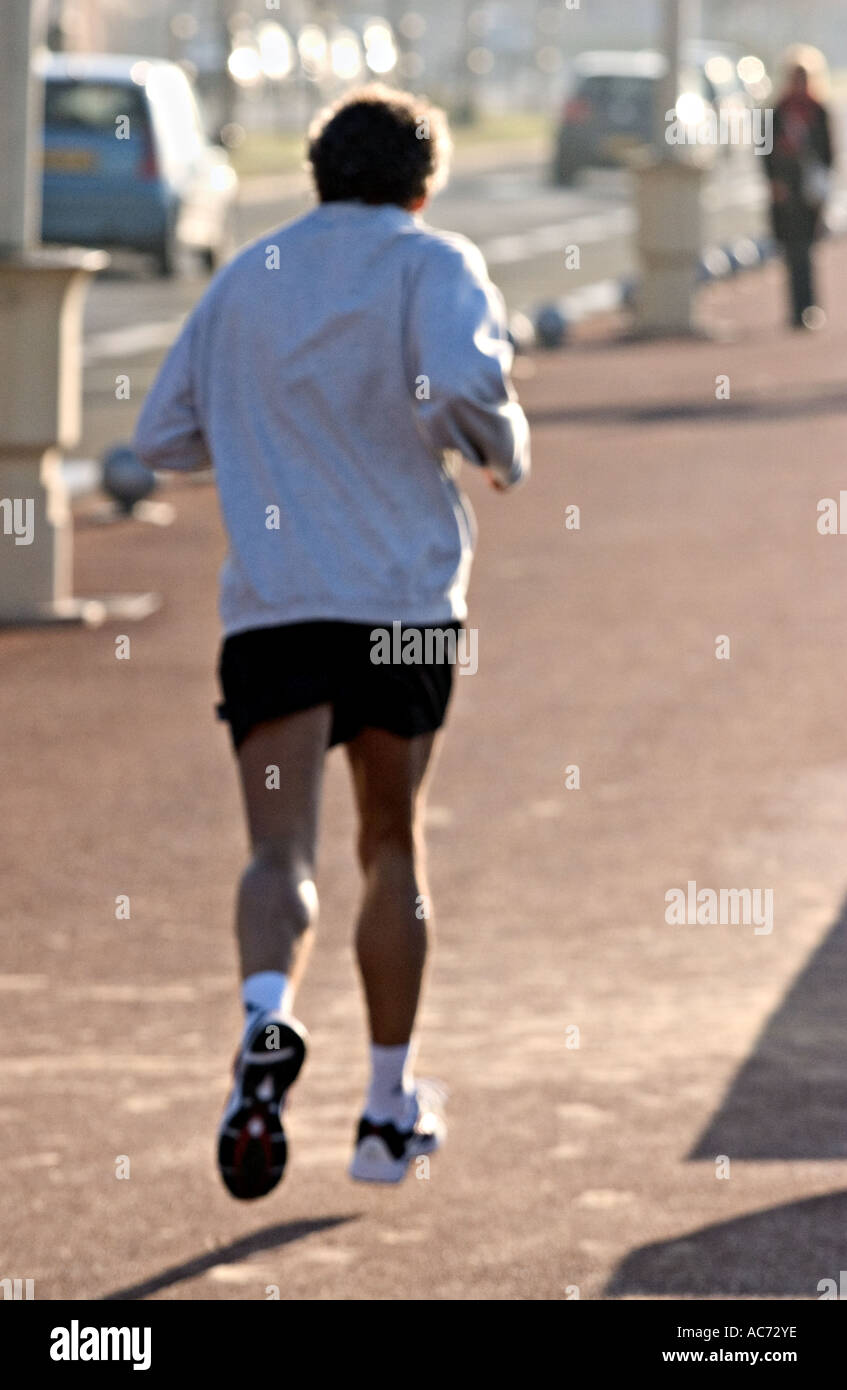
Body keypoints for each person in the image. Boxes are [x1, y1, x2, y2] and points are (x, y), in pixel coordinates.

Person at [133, 85, 530, 1197]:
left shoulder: (246, 275)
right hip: (400, 608)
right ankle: (386, 1112)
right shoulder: (431, 261)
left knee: (278, 852)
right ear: (421, 182)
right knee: (390, 846)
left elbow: (162, 433)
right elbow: (462, 383)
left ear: (315, 174)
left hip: (275, 609)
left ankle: (266, 1023)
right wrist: (502, 445)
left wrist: (270, 444)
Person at [764, 59, 834, 329]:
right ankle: (795, 310)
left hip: (810, 190)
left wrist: (823, 185)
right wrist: (774, 182)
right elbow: (764, 151)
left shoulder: (818, 110)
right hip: (785, 191)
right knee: (792, 251)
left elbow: (829, 152)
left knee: (808, 250)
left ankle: (809, 306)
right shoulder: (777, 111)